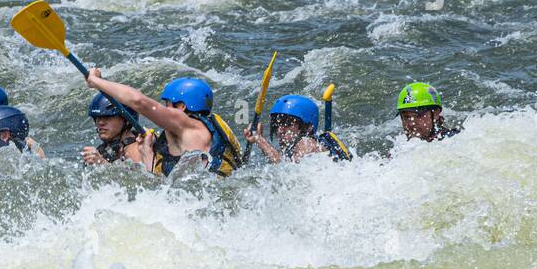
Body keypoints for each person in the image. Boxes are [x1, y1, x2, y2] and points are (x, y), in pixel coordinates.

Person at [85, 69, 241, 177]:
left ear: (181, 107)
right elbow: (158, 187)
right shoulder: (207, 128)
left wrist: (96, 81)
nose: (165, 110)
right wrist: (147, 153)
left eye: (167, 104)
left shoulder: (186, 124)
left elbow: (139, 102)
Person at [243, 94, 352, 163]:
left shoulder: (308, 144)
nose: (280, 130)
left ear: (308, 127)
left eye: (287, 124)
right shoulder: (295, 147)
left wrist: (260, 140)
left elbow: (284, 167)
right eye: (277, 124)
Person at [81, 92, 143, 166]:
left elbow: (139, 176)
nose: (100, 123)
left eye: (107, 117)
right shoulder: (108, 148)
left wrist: (102, 163)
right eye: (97, 118)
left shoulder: (136, 149)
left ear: (126, 119)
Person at [396, 82, 461, 142]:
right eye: (406, 117)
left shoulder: (455, 139)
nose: (411, 123)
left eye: (418, 115)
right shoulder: (399, 148)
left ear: (436, 113)